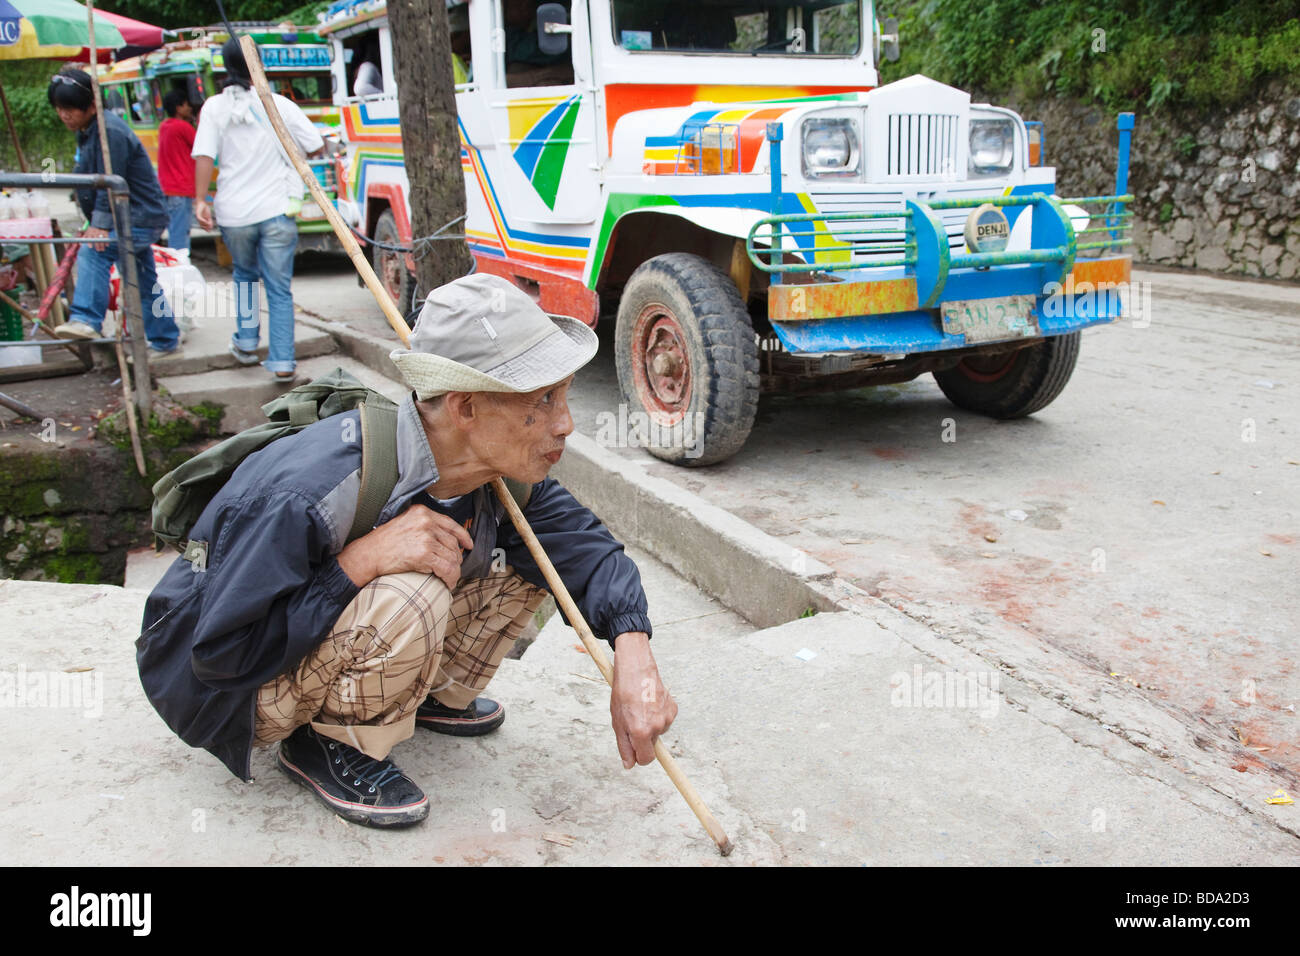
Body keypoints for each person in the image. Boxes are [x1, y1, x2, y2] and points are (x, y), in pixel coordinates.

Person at [137, 274, 676, 828]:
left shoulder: (495, 476)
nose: (565, 423)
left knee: (542, 557)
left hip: (289, 652)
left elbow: (589, 550)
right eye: (543, 399)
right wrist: (357, 563)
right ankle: (330, 743)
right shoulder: (312, 491)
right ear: (465, 407)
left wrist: (633, 657)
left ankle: (432, 697)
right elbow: (223, 654)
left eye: (563, 396)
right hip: (224, 690)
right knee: (413, 591)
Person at [192, 38, 324, 382]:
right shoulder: (278, 104)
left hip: (234, 214)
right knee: (279, 289)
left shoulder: (213, 108)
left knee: (245, 278)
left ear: (224, 66)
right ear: (258, 65)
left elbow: (204, 155)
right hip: (278, 210)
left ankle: (247, 344)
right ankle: (282, 362)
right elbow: (315, 144)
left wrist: (200, 200)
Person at [47, 69, 182, 353]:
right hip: (128, 214)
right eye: (60, 109)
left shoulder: (110, 132)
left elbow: (110, 180)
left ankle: (85, 318)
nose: (64, 115)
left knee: (95, 250)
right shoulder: (88, 130)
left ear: (91, 105)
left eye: (70, 108)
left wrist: (99, 224)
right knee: (141, 279)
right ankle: (165, 338)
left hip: (137, 215)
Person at [157, 90, 197, 253]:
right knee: (180, 233)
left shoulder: (164, 126)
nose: (189, 108)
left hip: (166, 186)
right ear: (179, 107)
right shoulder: (183, 127)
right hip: (181, 186)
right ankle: (180, 267)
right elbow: (201, 147)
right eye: (187, 105)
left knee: (175, 229)